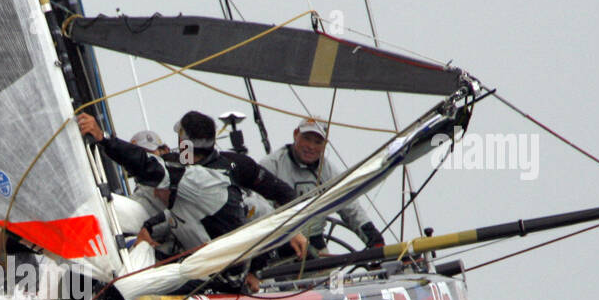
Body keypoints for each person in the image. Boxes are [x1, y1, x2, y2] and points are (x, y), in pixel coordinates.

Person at [78, 111, 308, 262]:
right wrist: (147, 229)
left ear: (184, 142)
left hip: (222, 256)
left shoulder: (229, 166)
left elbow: (282, 193)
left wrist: (293, 228)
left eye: (181, 140)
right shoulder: (176, 164)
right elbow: (143, 165)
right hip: (178, 242)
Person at [260, 117, 386, 250]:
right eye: (307, 138)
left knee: (331, 269)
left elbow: (348, 204)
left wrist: (372, 236)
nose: (311, 147)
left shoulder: (327, 170)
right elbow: (259, 207)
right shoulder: (271, 164)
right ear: (296, 134)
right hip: (277, 243)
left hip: (315, 244)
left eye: (318, 142)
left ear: (325, 144)